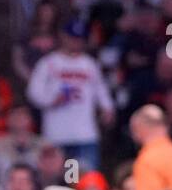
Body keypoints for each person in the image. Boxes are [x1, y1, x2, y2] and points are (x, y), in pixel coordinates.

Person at [26, 20, 114, 173]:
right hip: (57, 134)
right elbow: (34, 93)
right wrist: (52, 100)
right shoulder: (49, 63)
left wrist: (107, 108)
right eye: (72, 38)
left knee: (84, 178)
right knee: (60, 180)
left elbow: (101, 89)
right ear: (63, 37)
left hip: (85, 134)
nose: (76, 42)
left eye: (79, 39)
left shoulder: (89, 64)